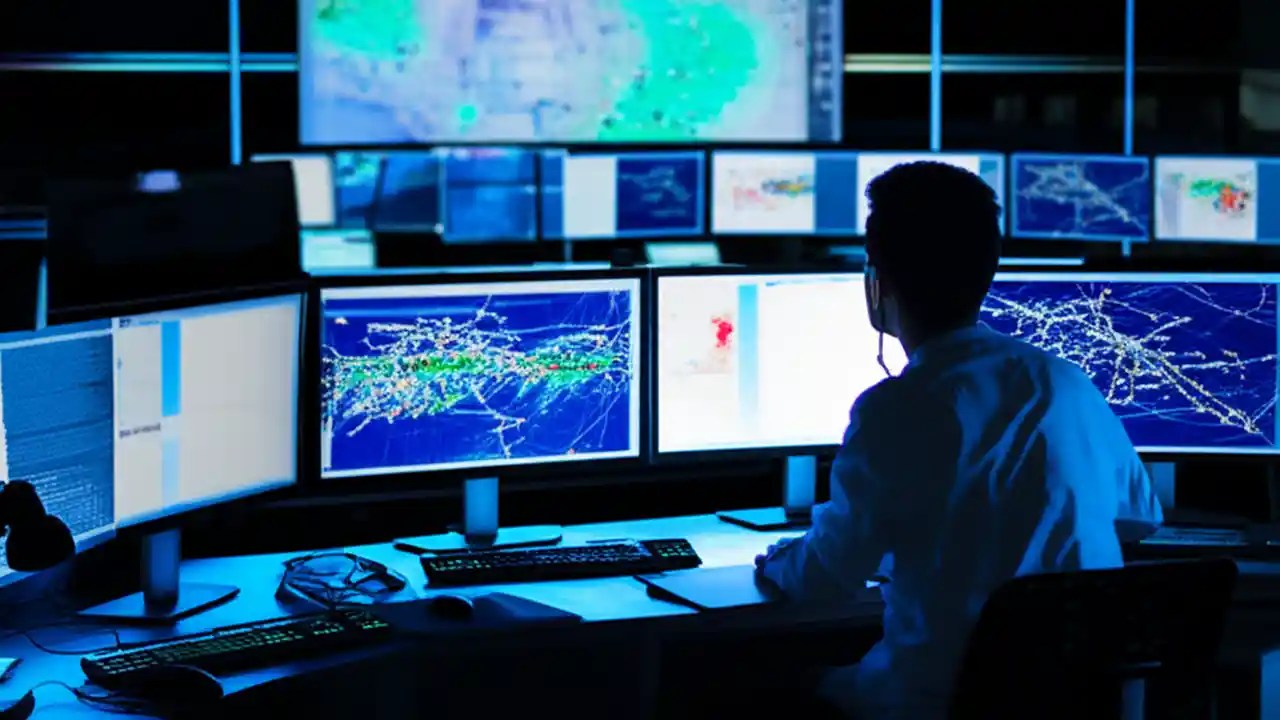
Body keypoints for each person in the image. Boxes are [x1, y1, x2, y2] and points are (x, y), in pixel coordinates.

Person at [754, 162, 1164, 719]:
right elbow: (1137, 519)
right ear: (987, 272)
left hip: (935, 704)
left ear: (877, 281)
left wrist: (776, 562)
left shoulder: (896, 407)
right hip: (1071, 702)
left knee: (761, 686)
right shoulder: (1067, 382)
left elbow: (824, 578)